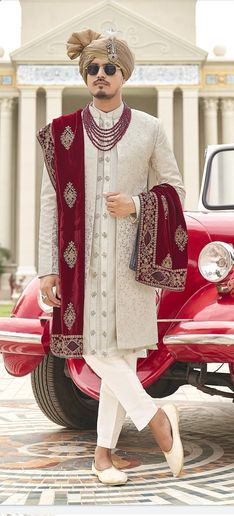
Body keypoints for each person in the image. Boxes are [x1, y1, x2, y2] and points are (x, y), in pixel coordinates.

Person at [37, 28, 186, 486]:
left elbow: (174, 190)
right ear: (86, 77)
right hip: (77, 264)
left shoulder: (149, 128)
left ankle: (103, 455)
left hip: (128, 266)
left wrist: (139, 205)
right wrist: (46, 266)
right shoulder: (62, 134)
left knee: (115, 353)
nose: (100, 76)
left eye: (108, 68)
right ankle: (156, 419)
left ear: (123, 74)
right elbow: (49, 200)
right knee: (96, 349)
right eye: (92, 69)